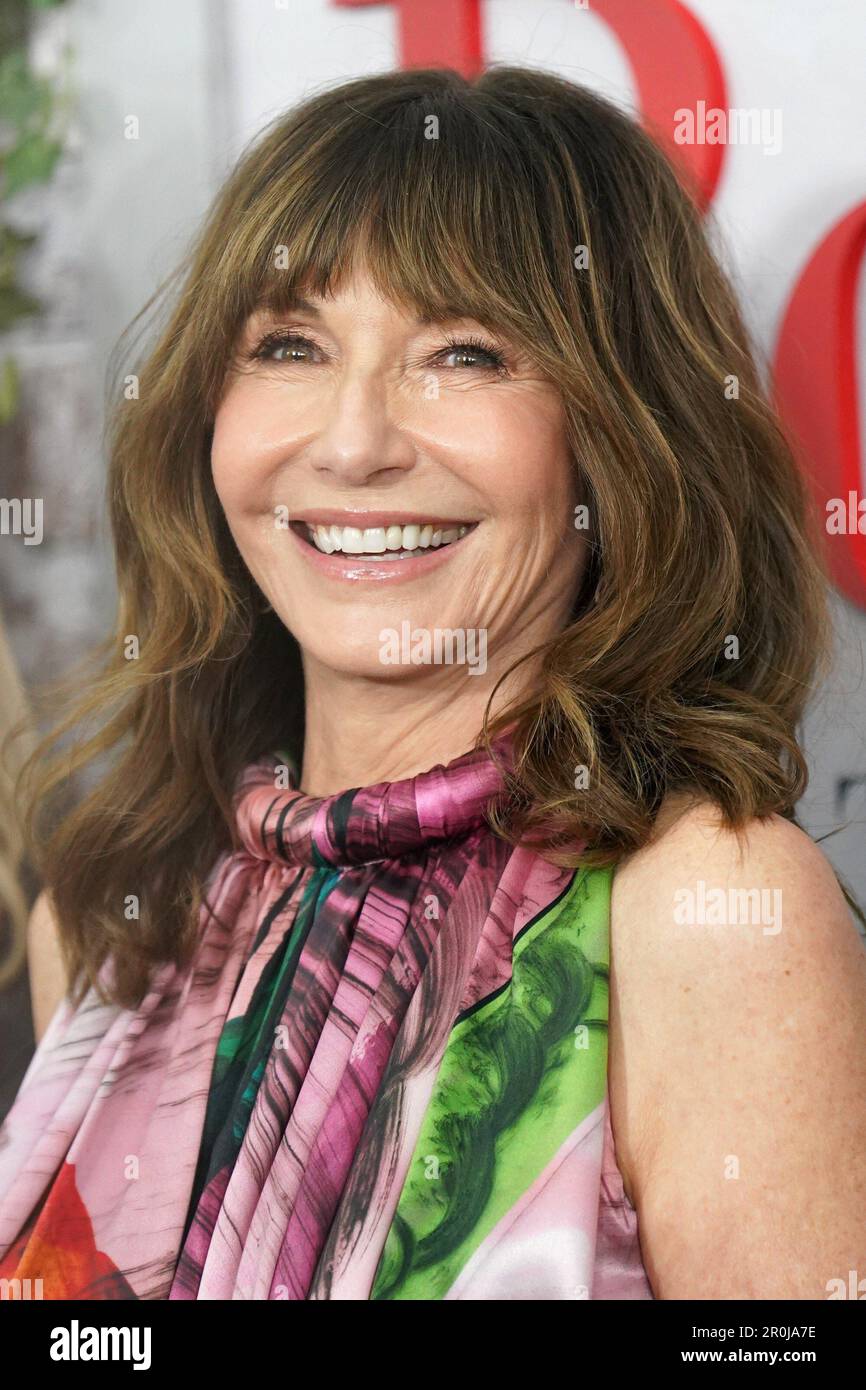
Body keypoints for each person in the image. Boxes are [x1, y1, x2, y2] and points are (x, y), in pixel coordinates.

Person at [0, 64, 864, 1301]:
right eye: (289, 345)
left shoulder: (706, 917)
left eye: (462, 352)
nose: (353, 442)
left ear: (622, 434)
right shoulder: (112, 915)